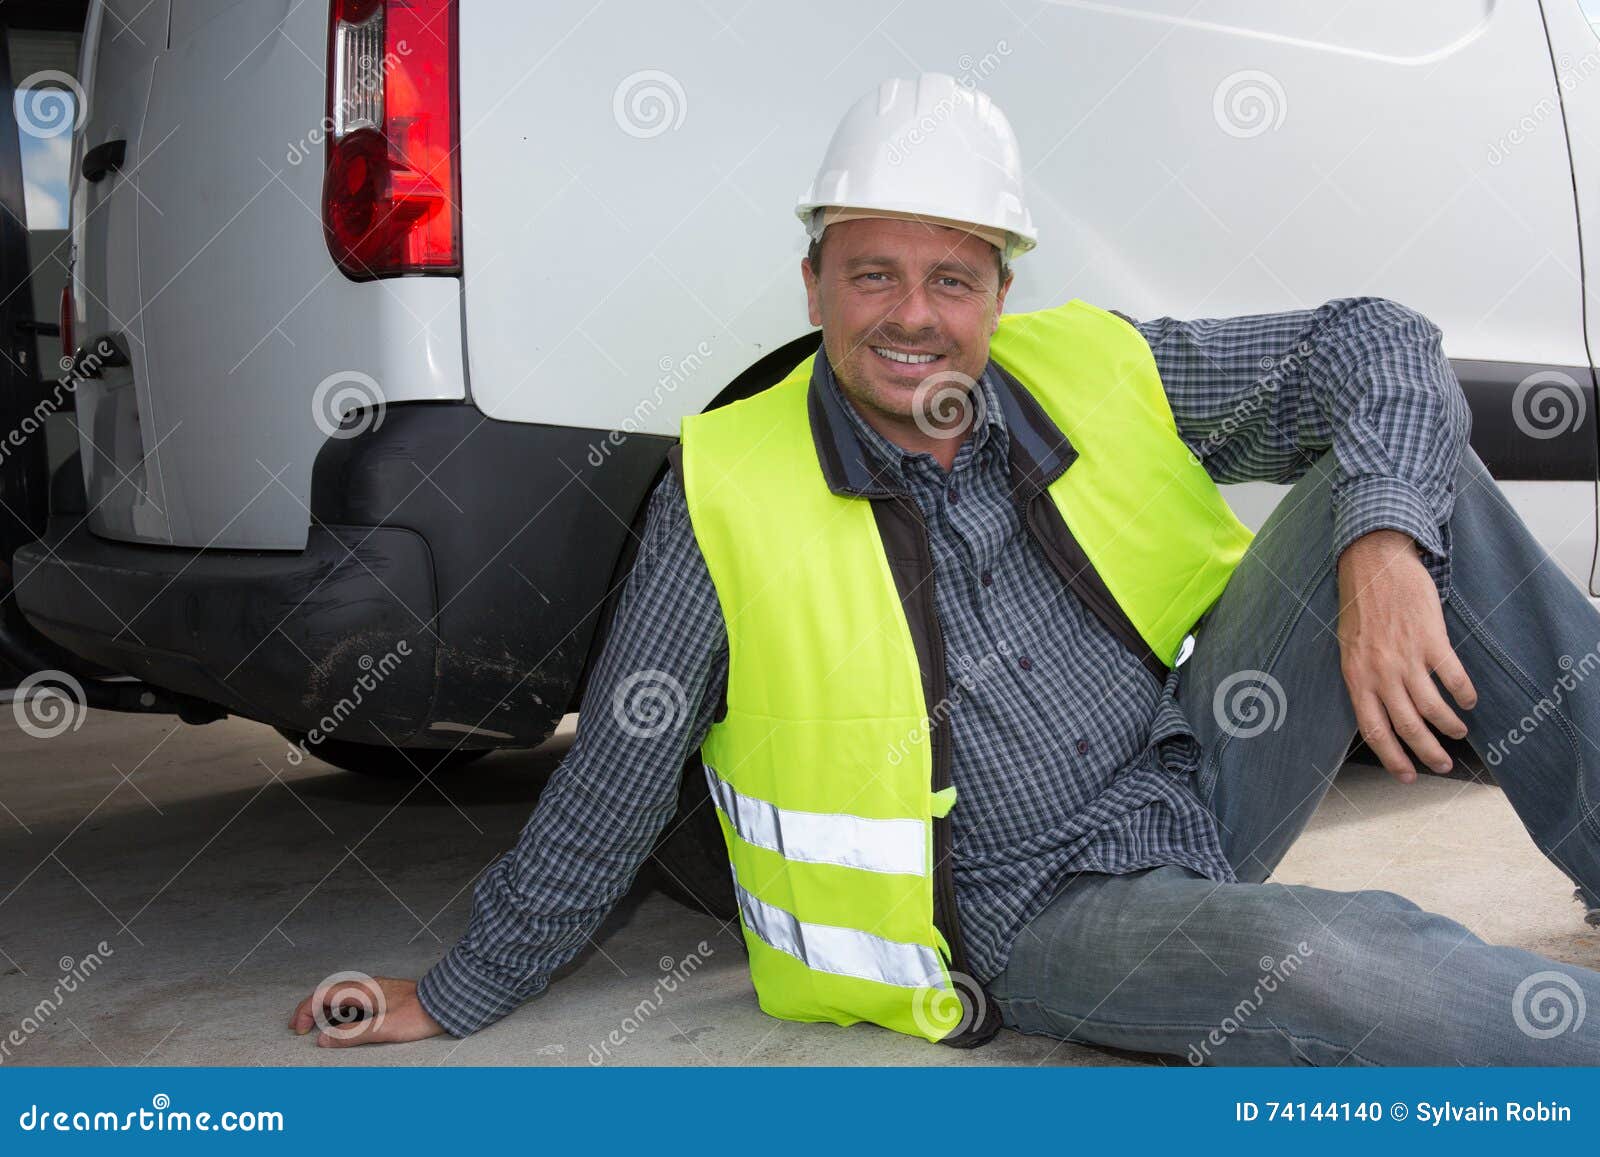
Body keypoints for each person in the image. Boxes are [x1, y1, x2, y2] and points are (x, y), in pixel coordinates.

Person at [290, 73, 1600, 1064]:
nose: (913, 315)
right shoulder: (726, 492)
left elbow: (1378, 340)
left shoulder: (1091, 366)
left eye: (952, 280)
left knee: (1414, 476)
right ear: (814, 285)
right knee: (1322, 961)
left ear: (999, 294)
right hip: (1031, 908)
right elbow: (618, 776)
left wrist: (1381, 546)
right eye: (874, 274)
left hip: (1196, 765)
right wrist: (456, 988)